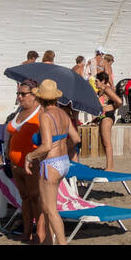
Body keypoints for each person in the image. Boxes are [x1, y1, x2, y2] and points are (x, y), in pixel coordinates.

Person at [23, 79, 80, 245]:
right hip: (63, 162)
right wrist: (63, 147)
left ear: (40, 98)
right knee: (45, 205)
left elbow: (46, 145)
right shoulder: (63, 113)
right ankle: (48, 241)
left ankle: (62, 243)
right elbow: (76, 138)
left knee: (50, 209)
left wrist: (29, 156)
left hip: (51, 163)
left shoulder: (45, 116)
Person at [6, 82, 42, 241]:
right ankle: (27, 231)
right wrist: (8, 151)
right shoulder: (20, 111)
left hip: (32, 163)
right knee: (25, 198)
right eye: (18, 93)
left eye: (23, 94)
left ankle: (40, 233)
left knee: (35, 198)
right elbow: (13, 133)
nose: (19, 97)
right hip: (15, 162)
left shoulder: (42, 113)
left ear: (34, 95)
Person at [94, 71, 122, 170]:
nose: (95, 83)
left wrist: (112, 107)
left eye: (96, 81)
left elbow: (119, 101)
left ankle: (110, 166)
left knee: (107, 142)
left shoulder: (107, 89)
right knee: (104, 142)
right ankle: (109, 165)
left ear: (103, 81)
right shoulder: (100, 91)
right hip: (103, 117)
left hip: (108, 117)